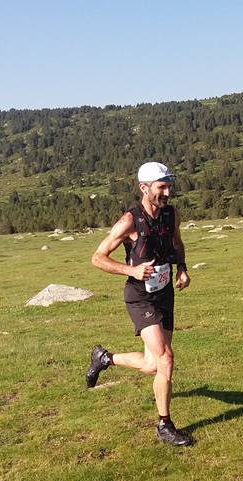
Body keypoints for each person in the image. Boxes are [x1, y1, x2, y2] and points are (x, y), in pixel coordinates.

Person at [87, 161, 194, 446]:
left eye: (169, 186)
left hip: (164, 292)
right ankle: (164, 425)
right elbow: (97, 257)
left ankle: (104, 359)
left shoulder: (172, 215)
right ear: (144, 188)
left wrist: (182, 267)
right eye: (161, 187)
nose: (167, 192)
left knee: (152, 365)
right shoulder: (130, 221)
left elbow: (177, 242)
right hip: (139, 295)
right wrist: (131, 270)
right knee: (166, 359)